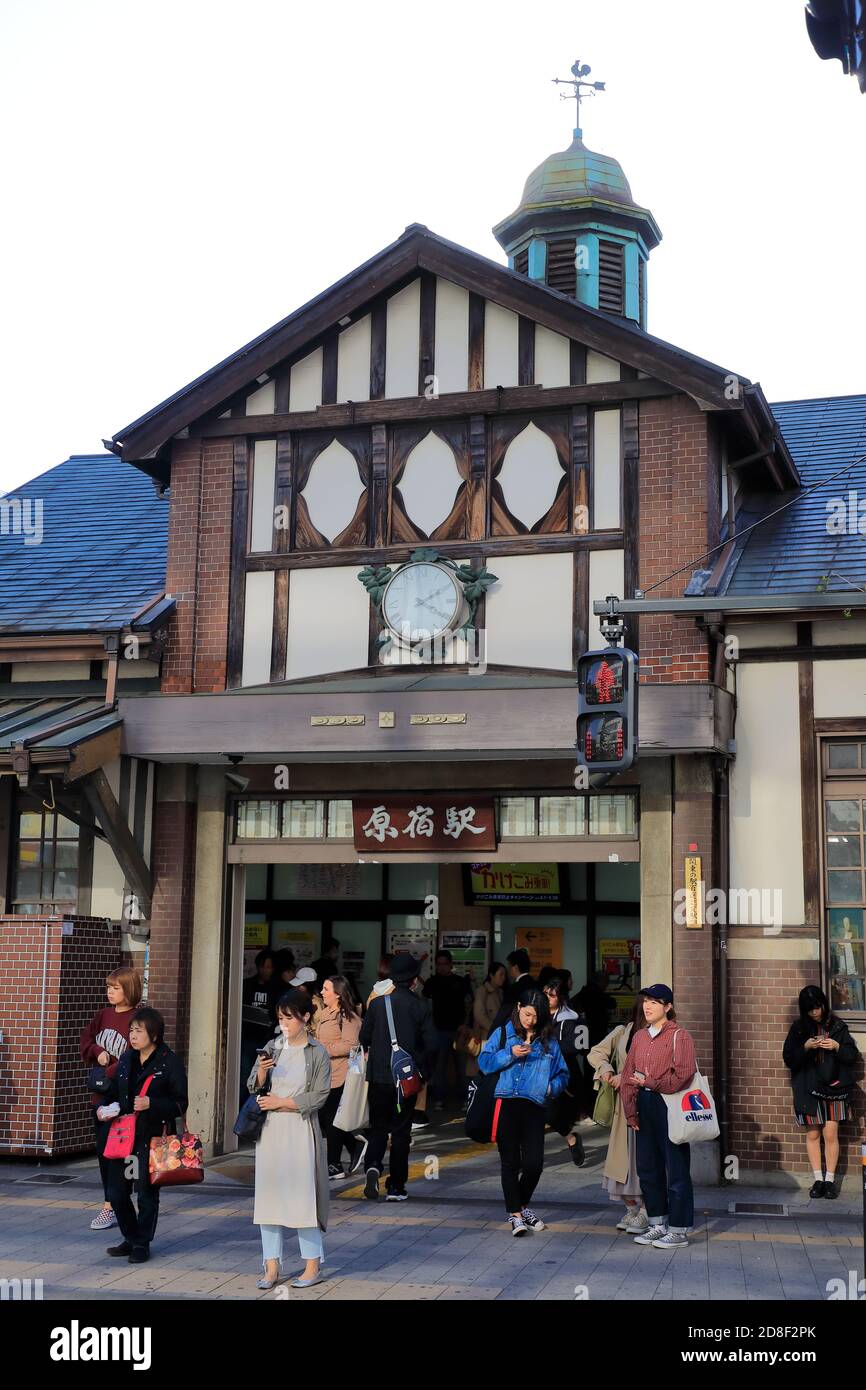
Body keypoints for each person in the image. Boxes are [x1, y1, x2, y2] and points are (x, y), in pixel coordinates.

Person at [249, 988, 332, 1289]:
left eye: (289, 1018)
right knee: (268, 1200)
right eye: (281, 1018)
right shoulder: (272, 1046)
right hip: (270, 1132)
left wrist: (282, 1103)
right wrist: (260, 1072)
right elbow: (253, 1087)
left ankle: (312, 1266)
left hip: (300, 1129)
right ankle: (271, 1267)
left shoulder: (317, 1051)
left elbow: (320, 1095)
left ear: (305, 1017)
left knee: (303, 1198)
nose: (284, 1023)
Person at [98, 1007, 188, 1265]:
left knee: (147, 1193)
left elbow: (181, 1102)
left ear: (155, 1034)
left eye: (139, 1031)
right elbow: (113, 1091)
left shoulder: (169, 1061)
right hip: (124, 1138)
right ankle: (131, 1235)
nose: (133, 1035)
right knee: (117, 1191)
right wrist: (105, 1107)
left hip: (151, 1138)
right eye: (131, 1030)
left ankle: (141, 1243)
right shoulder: (126, 1059)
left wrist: (153, 1103)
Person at [478, 987, 569, 1236]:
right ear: (518, 1007)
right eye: (528, 1014)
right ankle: (516, 1216)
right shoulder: (504, 1033)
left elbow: (563, 1074)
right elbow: (484, 1062)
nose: (531, 1020)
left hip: (534, 1106)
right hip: (505, 1103)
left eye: (536, 1016)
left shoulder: (548, 1040)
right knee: (510, 1162)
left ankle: (522, 1206)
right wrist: (509, 1054)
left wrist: (550, 1087)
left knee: (534, 1164)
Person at [619, 984, 697, 1250]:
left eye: (655, 1001)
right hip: (644, 1105)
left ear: (668, 1007)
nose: (648, 1006)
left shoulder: (680, 1036)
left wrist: (652, 1083)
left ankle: (678, 1229)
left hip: (669, 1105)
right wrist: (630, 1110)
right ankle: (657, 1223)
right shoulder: (639, 1036)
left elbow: (683, 1074)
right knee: (648, 1168)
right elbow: (629, 1073)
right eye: (646, 1001)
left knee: (675, 1169)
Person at [358, 953, 436, 1202]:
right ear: (414, 980)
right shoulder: (420, 1006)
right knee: (401, 1131)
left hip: (379, 1077)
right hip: (405, 1080)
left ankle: (372, 1165)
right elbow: (432, 1043)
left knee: (378, 1126)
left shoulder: (378, 1004)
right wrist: (422, 1069)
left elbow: (363, 1038)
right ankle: (396, 1186)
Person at [80, 966, 142, 1231]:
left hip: (124, 1098)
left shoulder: (139, 1018)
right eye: (109, 987)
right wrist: (97, 1050)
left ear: (129, 989)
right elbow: (86, 1039)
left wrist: (113, 1069)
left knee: (124, 1152)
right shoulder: (103, 1015)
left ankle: (117, 1203)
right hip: (101, 1095)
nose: (110, 992)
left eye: (115, 988)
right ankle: (111, 1202)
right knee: (103, 1151)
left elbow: (138, 1053)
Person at [782, 984, 858, 1199]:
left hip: (835, 1087)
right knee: (813, 1133)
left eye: (818, 1007)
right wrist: (806, 1046)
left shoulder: (837, 1026)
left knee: (831, 1133)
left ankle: (830, 1181)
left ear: (824, 1004)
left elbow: (852, 1056)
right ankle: (817, 1179)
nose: (815, 1012)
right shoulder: (798, 1028)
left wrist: (836, 1046)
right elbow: (789, 1058)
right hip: (807, 1087)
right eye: (810, 1009)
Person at [587, 998, 648, 1234]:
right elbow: (596, 1053)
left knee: (643, 1161)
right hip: (623, 1109)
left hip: (647, 1106)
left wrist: (625, 1076)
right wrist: (606, 1070)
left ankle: (646, 1211)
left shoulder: (660, 1035)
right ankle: (633, 1210)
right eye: (647, 1003)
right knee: (621, 1162)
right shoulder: (624, 1031)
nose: (649, 1008)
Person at [314, 975, 366, 1179]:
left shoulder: (348, 1017)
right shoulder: (326, 1012)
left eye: (326, 989)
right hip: (326, 1073)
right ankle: (355, 1146)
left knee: (332, 1119)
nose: (322, 993)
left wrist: (323, 1049)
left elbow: (351, 1044)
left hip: (341, 1074)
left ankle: (334, 1165)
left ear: (338, 993)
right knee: (328, 1118)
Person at [543, 976, 587, 1166]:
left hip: (561, 1073)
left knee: (550, 1114)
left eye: (551, 996)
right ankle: (527, 1156)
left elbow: (578, 1046)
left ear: (560, 998)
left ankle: (571, 1137)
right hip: (535, 1072)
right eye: (544, 994)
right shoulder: (533, 1015)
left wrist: (549, 1046)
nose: (547, 998)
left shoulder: (571, 1019)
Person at [423, 949, 472, 1110]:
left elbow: (468, 1004)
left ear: (451, 965)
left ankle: (464, 1099)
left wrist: (465, 1024)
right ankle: (438, 1099)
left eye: (445, 964)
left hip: (459, 1030)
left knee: (461, 1067)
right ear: (436, 965)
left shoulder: (461, 982)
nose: (442, 967)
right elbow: (424, 1003)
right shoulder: (432, 982)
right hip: (439, 1030)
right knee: (440, 1067)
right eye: (439, 964)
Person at [240, 949, 279, 1106]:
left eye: (269, 967)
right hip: (249, 1037)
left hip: (267, 1039)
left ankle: (261, 1103)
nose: (265, 970)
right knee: (246, 1073)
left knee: (267, 1073)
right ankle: (245, 1106)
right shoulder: (247, 985)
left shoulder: (276, 987)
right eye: (263, 966)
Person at [489, 948, 539, 1031]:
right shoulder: (537, 985)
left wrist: (492, 1033)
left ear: (515, 967)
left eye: (509, 965)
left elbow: (503, 1014)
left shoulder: (514, 989)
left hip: (517, 1031)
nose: (508, 969)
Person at [574, 971, 617, 1046]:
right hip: (595, 1030)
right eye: (607, 982)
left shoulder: (585, 991)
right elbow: (612, 1003)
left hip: (586, 1030)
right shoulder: (596, 993)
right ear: (602, 981)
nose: (607, 985)